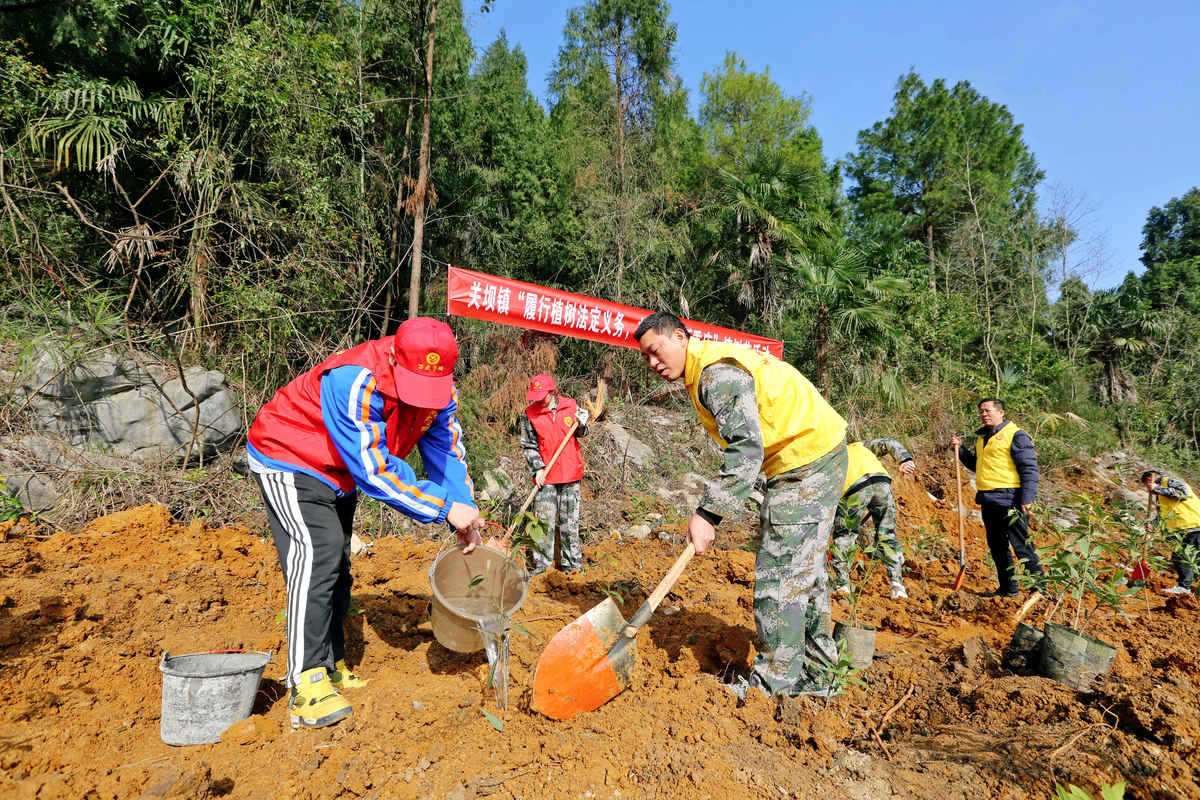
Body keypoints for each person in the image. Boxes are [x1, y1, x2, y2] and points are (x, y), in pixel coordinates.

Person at [246, 317, 483, 729]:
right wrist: (443, 507)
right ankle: (305, 680)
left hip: (340, 471)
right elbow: (373, 471)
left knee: (338, 563)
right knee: (316, 557)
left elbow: (446, 452)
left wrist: (462, 512)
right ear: (393, 356)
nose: (424, 399)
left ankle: (332, 663)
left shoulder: (441, 392)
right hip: (289, 456)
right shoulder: (355, 381)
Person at [635, 311, 848, 698]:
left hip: (804, 462)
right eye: (646, 357)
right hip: (812, 455)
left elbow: (746, 451)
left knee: (780, 579)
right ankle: (820, 679)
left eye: (656, 350)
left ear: (681, 337)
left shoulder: (717, 374)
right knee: (804, 572)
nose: (652, 363)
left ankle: (771, 690)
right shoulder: (707, 367)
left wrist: (707, 514)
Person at [951, 398, 1043, 597]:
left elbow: (1029, 469)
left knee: (1022, 547)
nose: (984, 414)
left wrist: (1027, 498)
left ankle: (1039, 591)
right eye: (981, 412)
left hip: (1011, 499)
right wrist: (961, 450)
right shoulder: (982, 438)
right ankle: (1008, 589)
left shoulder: (1016, 435)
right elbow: (978, 466)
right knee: (998, 548)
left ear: (1001, 412)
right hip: (988, 500)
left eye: (988, 410)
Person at [519, 374, 590, 575]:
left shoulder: (570, 406)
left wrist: (582, 424)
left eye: (542, 395)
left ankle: (572, 569)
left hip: (570, 474)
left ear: (552, 391)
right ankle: (543, 570)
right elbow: (528, 446)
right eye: (535, 395)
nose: (538, 399)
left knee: (570, 525)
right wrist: (538, 468)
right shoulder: (530, 414)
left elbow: (582, 433)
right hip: (546, 477)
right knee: (543, 525)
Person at [830, 438, 915, 600]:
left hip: (854, 488)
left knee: (844, 536)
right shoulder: (860, 446)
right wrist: (904, 459)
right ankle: (897, 585)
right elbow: (889, 442)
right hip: (882, 483)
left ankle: (842, 585)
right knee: (887, 534)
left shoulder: (830, 456)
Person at [1141, 469, 1200, 596]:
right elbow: (1164, 514)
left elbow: (1183, 494)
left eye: (1146, 486)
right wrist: (1153, 524)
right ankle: (1189, 587)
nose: (1147, 489)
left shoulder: (1169, 482)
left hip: (1192, 525)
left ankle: (1184, 587)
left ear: (1149, 480)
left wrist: (1157, 488)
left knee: (1182, 556)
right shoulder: (1160, 496)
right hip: (1183, 528)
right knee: (1192, 558)